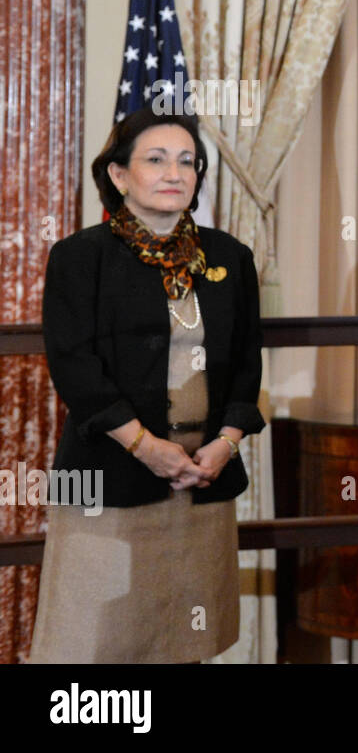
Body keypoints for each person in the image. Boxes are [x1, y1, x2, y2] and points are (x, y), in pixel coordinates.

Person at [28, 107, 264, 663]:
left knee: (185, 637)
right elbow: (75, 367)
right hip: (109, 471)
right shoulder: (79, 257)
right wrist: (146, 447)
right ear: (118, 175)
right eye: (155, 160)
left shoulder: (229, 257)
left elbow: (247, 363)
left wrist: (225, 444)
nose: (174, 173)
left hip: (200, 476)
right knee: (92, 638)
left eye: (187, 162)